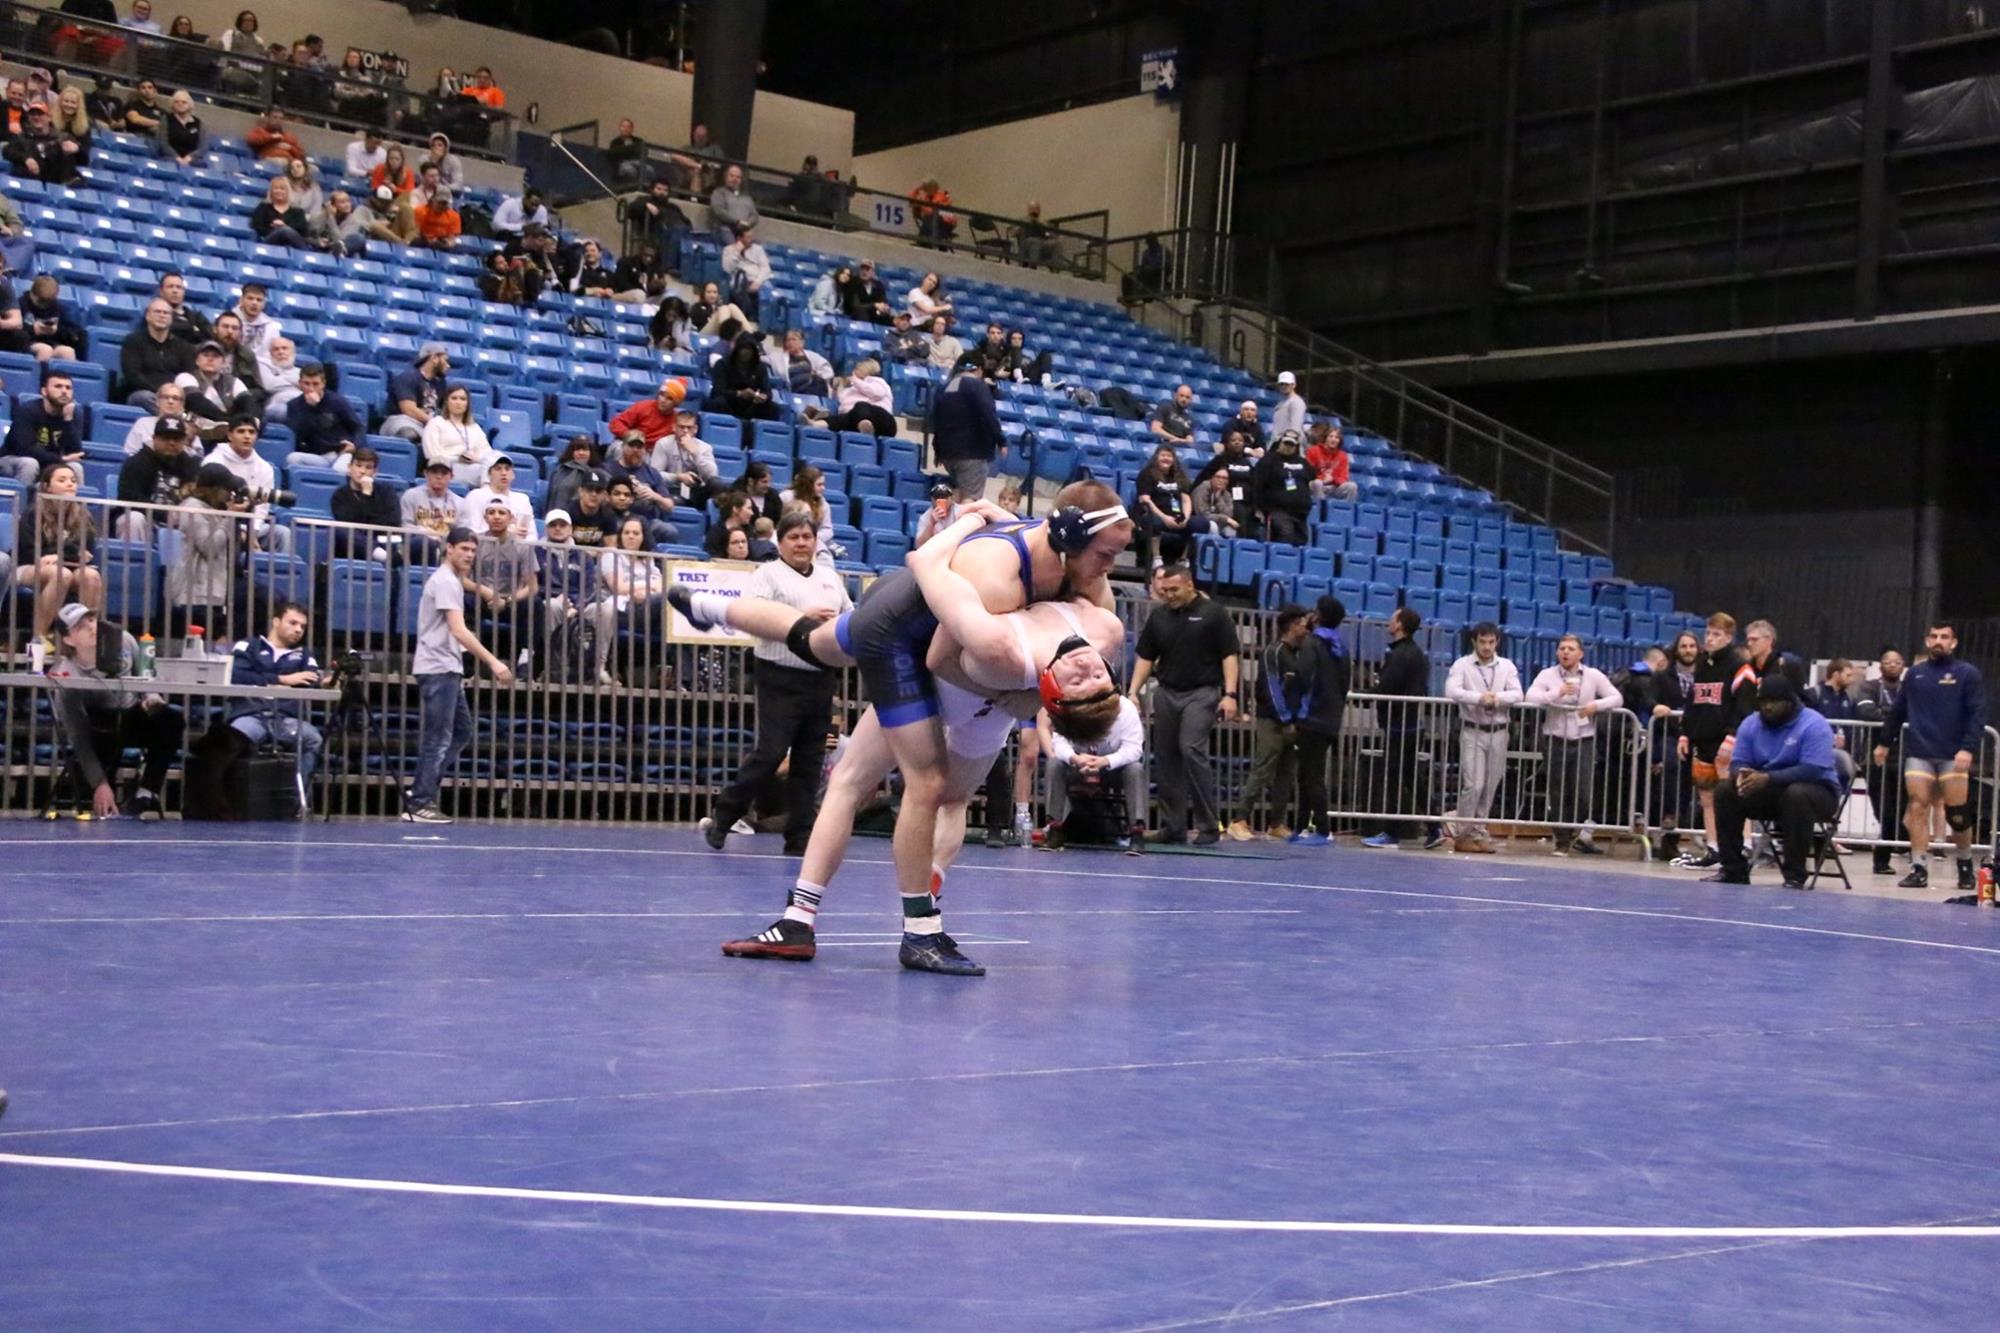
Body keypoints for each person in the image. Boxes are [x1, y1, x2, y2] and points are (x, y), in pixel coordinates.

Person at [683, 484, 1133, 968]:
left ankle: (710, 608)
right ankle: (911, 929)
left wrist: (1023, 696)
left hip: (951, 644)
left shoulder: (1084, 582)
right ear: (1069, 536)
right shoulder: (996, 583)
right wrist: (1008, 694)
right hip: (900, 637)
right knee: (911, 772)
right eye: (1105, 555)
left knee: (812, 642)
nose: (1109, 567)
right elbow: (938, 655)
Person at [702, 509, 853, 856]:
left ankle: (799, 838)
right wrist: (801, 620)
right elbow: (753, 616)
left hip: (821, 675)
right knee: (771, 751)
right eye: (793, 537)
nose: (801, 543)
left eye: (807, 537)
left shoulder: (830, 578)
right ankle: (724, 815)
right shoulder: (766, 575)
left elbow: (849, 616)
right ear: (780, 542)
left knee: (809, 761)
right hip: (778, 674)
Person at [406, 527, 514, 823]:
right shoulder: (445, 582)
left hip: (447, 667)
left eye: (473, 550)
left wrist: (485, 591)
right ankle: (420, 801)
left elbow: (463, 582)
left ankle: (424, 790)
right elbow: (458, 630)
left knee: (461, 731)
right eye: (464, 549)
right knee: (438, 738)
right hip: (438, 668)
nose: (469, 555)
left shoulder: (451, 580)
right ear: (449, 548)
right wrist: (493, 662)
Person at [1129, 563, 1240, 845]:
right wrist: (1133, 691)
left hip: (1202, 692)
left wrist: (1230, 694)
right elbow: (1146, 656)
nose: (1169, 595)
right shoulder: (1159, 617)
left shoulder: (1214, 613)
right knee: (1166, 758)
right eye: (1164, 591)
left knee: (1191, 749)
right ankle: (1173, 827)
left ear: (1190, 585)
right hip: (1167, 692)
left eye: (1174, 590)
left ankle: (1209, 826)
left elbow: (1229, 655)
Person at [1875, 622, 1985, 894]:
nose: (1939, 641)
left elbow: (1977, 713)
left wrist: (1968, 748)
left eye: (1944, 637)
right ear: (1927, 641)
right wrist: (1884, 743)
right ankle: (1919, 867)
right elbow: (1898, 710)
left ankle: (1964, 863)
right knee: (1917, 805)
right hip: (1920, 752)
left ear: (1953, 642)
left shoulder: (1967, 673)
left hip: (1952, 754)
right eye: (1934, 636)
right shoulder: (1915, 674)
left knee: (1957, 814)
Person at [46, 603, 184, 821]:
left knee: (171, 717)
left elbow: (145, 672)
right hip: (99, 730)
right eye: (80, 626)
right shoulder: (66, 675)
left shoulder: (125, 640)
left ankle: (147, 790)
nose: (91, 627)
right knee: (103, 725)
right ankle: (102, 787)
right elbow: (78, 735)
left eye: (91, 619)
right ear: (68, 640)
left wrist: (151, 696)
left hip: (133, 715)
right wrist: (99, 783)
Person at [1705, 676, 1843, 890]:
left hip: (1818, 791)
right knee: (1725, 791)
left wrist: (1768, 778)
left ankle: (1795, 874)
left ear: (1789, 701)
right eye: (1763, 701)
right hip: (1770, 788)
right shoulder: (1751, 723)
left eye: (1774, 701)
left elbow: (1813, 769)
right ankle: (1733, 869)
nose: (1768, 707)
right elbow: (1738, 760)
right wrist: (1742, 775)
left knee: (1796, 794)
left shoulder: (1813, 724)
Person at [1673, 612, 1758, 870]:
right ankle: (1714, 847)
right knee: (1707, 796)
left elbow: (1744, 705)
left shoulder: (1739, 666)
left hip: (1727, 741)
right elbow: (1693, 701)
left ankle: (1743, 845)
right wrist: (1685, 733)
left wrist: (1732, 737)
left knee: (1733, 795)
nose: (1709, 639)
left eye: (1716, 634)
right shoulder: (1702, 664)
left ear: (1729, 637)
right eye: (1708, 633)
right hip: (1703, 739)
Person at [1526, 633, 1624, 856]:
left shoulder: (1593, 675)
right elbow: (1530, 697)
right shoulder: (1547, 675)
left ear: (1580, 653)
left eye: (1571, 649)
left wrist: (1595, 706)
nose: (1566, 652)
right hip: (1555, 738)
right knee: (1557, 791)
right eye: (1562, 648)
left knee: (1583, 793)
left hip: (1584, 739)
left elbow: (1616, 697)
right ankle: (1562, 840)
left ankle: (1572, 829)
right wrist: (1556, 693)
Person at [1362, 607, 1444, 849]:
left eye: (1393, 618)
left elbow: (1388, 686)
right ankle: (1434, 827)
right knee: (1411, 779)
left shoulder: (1401, 655)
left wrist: (1365, 693)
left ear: (1399, 625)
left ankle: (1392, 832)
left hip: (1400, 725)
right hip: (1409, 724)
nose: (1389, 621)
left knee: (1396, 779)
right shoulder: (1415, 653)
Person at [226, 600, 324, 795]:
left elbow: (310, 681)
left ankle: (295, 800)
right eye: (293, 623)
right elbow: (236, 676)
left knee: (313, 739)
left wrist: (262, 679)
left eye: (302, 626)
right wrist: (282, 679)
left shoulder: (304, 655)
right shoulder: (248, 646)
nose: (299, 630)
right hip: (251, 715)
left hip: (286, 719)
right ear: (276, 622)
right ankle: (232, 798)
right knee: (234, 737)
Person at [1232, 604, 1312, 840]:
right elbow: (1272, 687)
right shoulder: (1273, 652)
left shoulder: (1300, 654)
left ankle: (1276, 823)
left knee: (1286, 773)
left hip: (1293, 722)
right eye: (1303, 623)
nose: (1307, 628)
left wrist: (1298, 719)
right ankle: (1239, 819)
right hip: (1272, 721)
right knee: (1263, 768)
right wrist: (1285, 718)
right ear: (1292, 625)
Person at [1445, 621, 1523, 853]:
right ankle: (1463, 833)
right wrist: (1479, 698)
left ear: (1497, 642)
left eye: (1491, 642)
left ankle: (1479, 832)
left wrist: (1496, 698)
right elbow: (1451, 691)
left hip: (1499, 731)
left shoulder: (1507, 666)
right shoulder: (1462, 665)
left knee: (1490, 785)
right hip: (1472, 730)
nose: (1487, 647)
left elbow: (1518, 694)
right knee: (1473, 784)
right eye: (1482, 642)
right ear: (1474, 642)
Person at [16, 462, 102, 640]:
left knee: (90, 576)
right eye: (62, 480)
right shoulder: (32, 512)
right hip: (29, 566)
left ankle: (82, 637)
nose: (69, 484)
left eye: (73, 480)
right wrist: (69, 554)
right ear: (47, 486)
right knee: (61, 574)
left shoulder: (83, 515)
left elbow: (87, 553)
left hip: (69, 566)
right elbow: (29, 552)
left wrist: (59, 555)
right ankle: (38, 639)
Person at [1290, 595, 1351, 843]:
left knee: (1311, 776)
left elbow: (1303, 677)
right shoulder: (1342, 648)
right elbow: (1345, 684)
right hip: (1331, 718)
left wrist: (1292, 704)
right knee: (1308, 774)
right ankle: (1300, 826)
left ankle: (1323, 828)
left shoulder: (1312, 643)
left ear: (1319, 616)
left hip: (1311, 716)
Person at [1853, 646, 1908, 876]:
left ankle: (1886, 856)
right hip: (1875, 758)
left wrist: (1887, 716)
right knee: (1883, 810)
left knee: (1900, 809)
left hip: (1904, 757)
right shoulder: (1870, 686)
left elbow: (1916, 714)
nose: (1893, 665)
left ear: (1903, 666)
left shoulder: (1908, 688)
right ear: (1880, 665)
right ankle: (1882, 857)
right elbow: (1865, 711)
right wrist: (1895, 719)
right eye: (1888, 662)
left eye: (1897, 662)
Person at [930, 358, 1004, 500]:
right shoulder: (977, 386)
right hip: (972, 454)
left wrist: (937, 450)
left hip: (947, 453)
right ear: (979, 370)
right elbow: (988, 414)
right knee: (970, 499)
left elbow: (935, 420)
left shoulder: (943, 388)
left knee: (958, 494)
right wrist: (1001, 440)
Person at [0, 368, 82, 485]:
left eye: (68, 388)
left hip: (49, 462)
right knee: (30, 463)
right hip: (13, 459)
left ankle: (73, 498)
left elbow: (75, 452)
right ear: (44, 391)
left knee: (75, 467)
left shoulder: (73, 413)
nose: (64, 391)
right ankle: (22, 496)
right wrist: (60, 459)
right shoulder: (28, 411)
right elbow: (25, 449)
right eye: (58, 386)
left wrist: (68, 420)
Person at [1133, 444, 1206, 568]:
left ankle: (1184, 558)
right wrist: (1164, 517)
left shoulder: (1179, 476)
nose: (1166, 458)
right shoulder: (1146, 474)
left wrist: (1185, 517)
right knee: (1154, 521)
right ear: (1156, 457)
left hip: (1177, 515)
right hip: (1155, 513)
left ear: (1174, 459)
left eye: (1169, 456)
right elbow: (1145, 500)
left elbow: (1186, 499)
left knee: (1201, 523)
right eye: (1163, 455)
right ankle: (1156, 558)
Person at [283, 362, 359, 472]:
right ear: (300, 384)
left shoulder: (337, 401)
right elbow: (299, 435)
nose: (311, 388)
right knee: (293, 458)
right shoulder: (294, 405)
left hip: (340, 452)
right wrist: (310, 408)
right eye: (306, 384)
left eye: (315, 384)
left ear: (323, 384)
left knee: (340, 469)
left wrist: (354, 445)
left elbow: (357, 427)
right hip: (316, 456)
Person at [120, 299, 192, 411]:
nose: (162, 316)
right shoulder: (133, 341)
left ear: (171, 319)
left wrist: (174, 395)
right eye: (157, 312)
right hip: (144, 393)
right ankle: (178, 418)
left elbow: (188, 376)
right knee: (145, 397)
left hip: (174, 397)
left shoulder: (183, 347)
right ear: (148, 316)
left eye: (166, 313)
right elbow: (133, 375)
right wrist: (161, 393)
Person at [701, 330, 780, 422]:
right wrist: (739, 393)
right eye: (744, 348)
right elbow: (718, 390)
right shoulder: (722, 364)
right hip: (729, 401)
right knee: (718, 403)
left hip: (749, 404)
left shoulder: (760, 367)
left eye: (750, 349)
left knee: (773, 408)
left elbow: (767, 391)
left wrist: (764, 396)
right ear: (737, 349)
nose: (747, 352)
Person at [1252, 429, 1314, 545]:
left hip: (1301, 513)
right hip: (1277, 511)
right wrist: (1258, 508)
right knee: (1286, 535)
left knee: (1301, 542)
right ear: (1280, 443)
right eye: (1286, 443)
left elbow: (1311, 480)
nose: (1288, 447)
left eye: (1291, 445)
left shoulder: (1303, 463)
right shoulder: (1268, 461)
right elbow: (1257, 485)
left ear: (1296, 446)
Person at [384, 342, 451, 443]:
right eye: (445, 360)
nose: (448, 365)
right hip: (402, 420)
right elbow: (408, 409)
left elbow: (444, 410)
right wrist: (434, 423)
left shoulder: (441, 383)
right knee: (409, 434)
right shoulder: (407, 377)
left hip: (427, 424)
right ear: (434, 358)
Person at [721, 221, 771, 323]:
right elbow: (727, 268)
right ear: (739, 238)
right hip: (739, 282)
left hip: (757, 282)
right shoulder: (729, 250)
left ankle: (757, 321)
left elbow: (766, 268)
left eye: (751, 236)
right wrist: (736, 252)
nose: (751, 239)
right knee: (742, 289)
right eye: (748, 237)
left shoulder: (758, 249)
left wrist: (757, 282)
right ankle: (743, 319)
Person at [1304, 421, 1359, 502]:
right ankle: (1321, 508)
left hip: (1334, 485)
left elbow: (1344, 477)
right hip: (1316, 484)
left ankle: (1346, 509)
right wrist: (1322, 479)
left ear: (1339, 441)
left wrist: (1333, 479)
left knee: (1352, 486)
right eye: (1331, 436)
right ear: (1325, 438)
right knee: (1317, 483)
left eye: (1337, 438)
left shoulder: (1343, 456)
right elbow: (1307, 472)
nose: (1333, 439)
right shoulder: (1313, 451)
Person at [708, 162, 759, 240]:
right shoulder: (718, 193)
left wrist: (748, 223)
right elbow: (719, 211)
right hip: (725, 229)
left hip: (744, 231)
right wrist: (737, 221)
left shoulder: (747, 198)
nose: (735, 179)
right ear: (726, 177)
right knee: (727, 233)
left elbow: (755, 216)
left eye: (738, 177)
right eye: (731, 176)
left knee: (756, 244)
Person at [841, 259, 894, 324]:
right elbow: (856, 306)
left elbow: (883, 301)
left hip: (873, 314)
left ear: (873, 272)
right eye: (862, 269)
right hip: (855, 314)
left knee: (890, 318)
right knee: (861, 312)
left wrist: (884, 308)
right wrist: (874, 305)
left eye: (867, 269)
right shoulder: (853, 283)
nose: (864, 272)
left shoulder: (878, 285)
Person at [1150, 383, 1196, 447]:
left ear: (1191, 400)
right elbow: (1155, 429)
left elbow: (1190, 440)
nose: (1184, 399)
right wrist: (1173, 438)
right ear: (1175, 396)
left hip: (1180, 447)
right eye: (1181, 396)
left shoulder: (1189, 418)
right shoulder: (1165, 407)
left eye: (1187, 397)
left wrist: (1179, 440)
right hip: (1163, 444)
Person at [605, 117, 645, 185]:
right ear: (620, 128)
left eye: (628, 127)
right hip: (621, 164)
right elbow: (613, 157)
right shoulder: (615, 142)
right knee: (630, 170)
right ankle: (634, 186)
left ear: (632, 129)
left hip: (636, 162)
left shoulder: (638, 141)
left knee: (649, 169)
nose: (626, 129)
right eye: (623, 126)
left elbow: (643, 152)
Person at [1271, 371, 1306, 438]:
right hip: (1278, 440)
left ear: (1294, 385)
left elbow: (1295, 427)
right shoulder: (1281, 403)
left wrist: (1289, 440)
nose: (1283, 386)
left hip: (1289, 441)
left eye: (1287, 384)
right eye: (1281, 384)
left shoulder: (1297, 402)